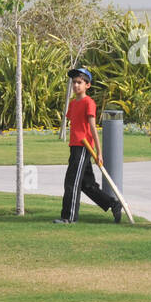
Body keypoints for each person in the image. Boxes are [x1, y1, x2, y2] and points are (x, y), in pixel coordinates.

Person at [54, 68, 122, 225]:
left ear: (87, 85)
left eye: (79, 82)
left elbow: (92, 128)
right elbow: (74, 123)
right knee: (87, 184)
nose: (76, 85)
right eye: (74, 83)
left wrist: (99, 152)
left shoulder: (88, 103)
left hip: (83, 147)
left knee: (71, 182)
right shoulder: (73, 103)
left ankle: (69, 218)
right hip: (74, 146)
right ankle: (113, 204)